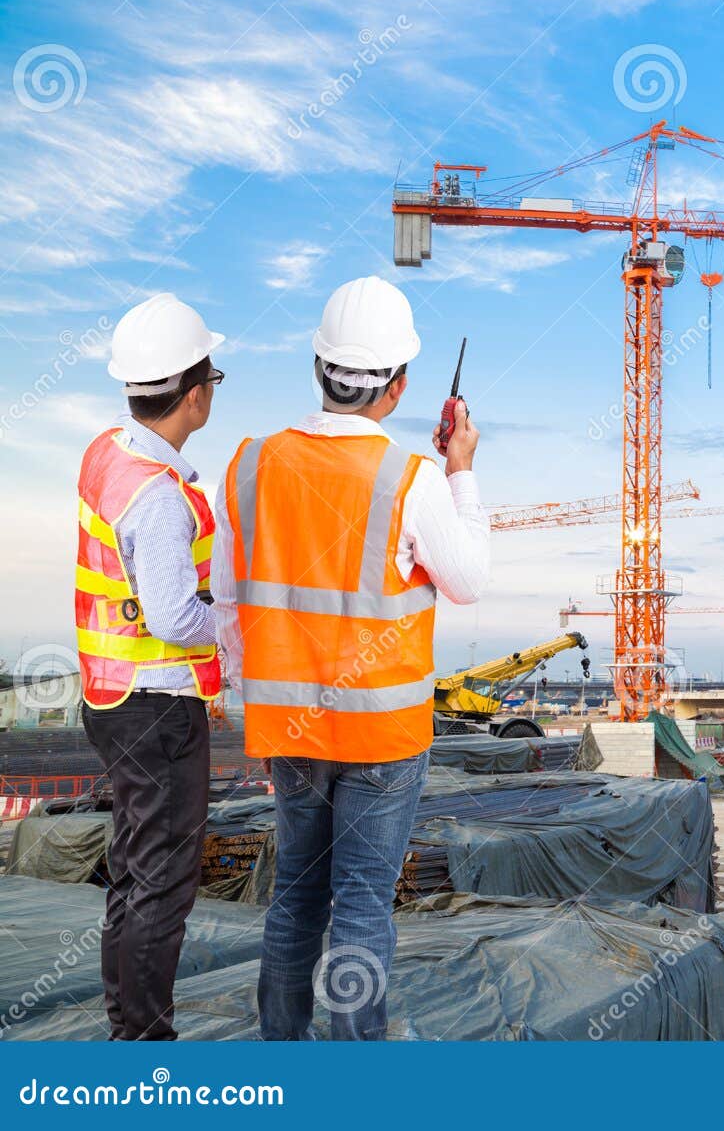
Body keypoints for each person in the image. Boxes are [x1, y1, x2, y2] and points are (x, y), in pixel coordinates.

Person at [211, 275, 489, 1040]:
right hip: (382, 737)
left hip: (291, 728)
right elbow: (469, 579)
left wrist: (260, 695)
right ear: (397, 388)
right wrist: (461, 468)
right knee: (362, 906)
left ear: (317, 368)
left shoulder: (247, 465)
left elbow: (226, 602)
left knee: (296, 897)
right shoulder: (412, 479)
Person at [75, 293, 227, 1040]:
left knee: (136, 873)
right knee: (162, 887)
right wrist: (233, 628)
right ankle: (144, 1045)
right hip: (156, 709)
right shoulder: (160, 498)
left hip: (112, 697)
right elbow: (173, 617)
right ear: (194, 395)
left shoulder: (107, 451)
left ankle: (126, 1027)